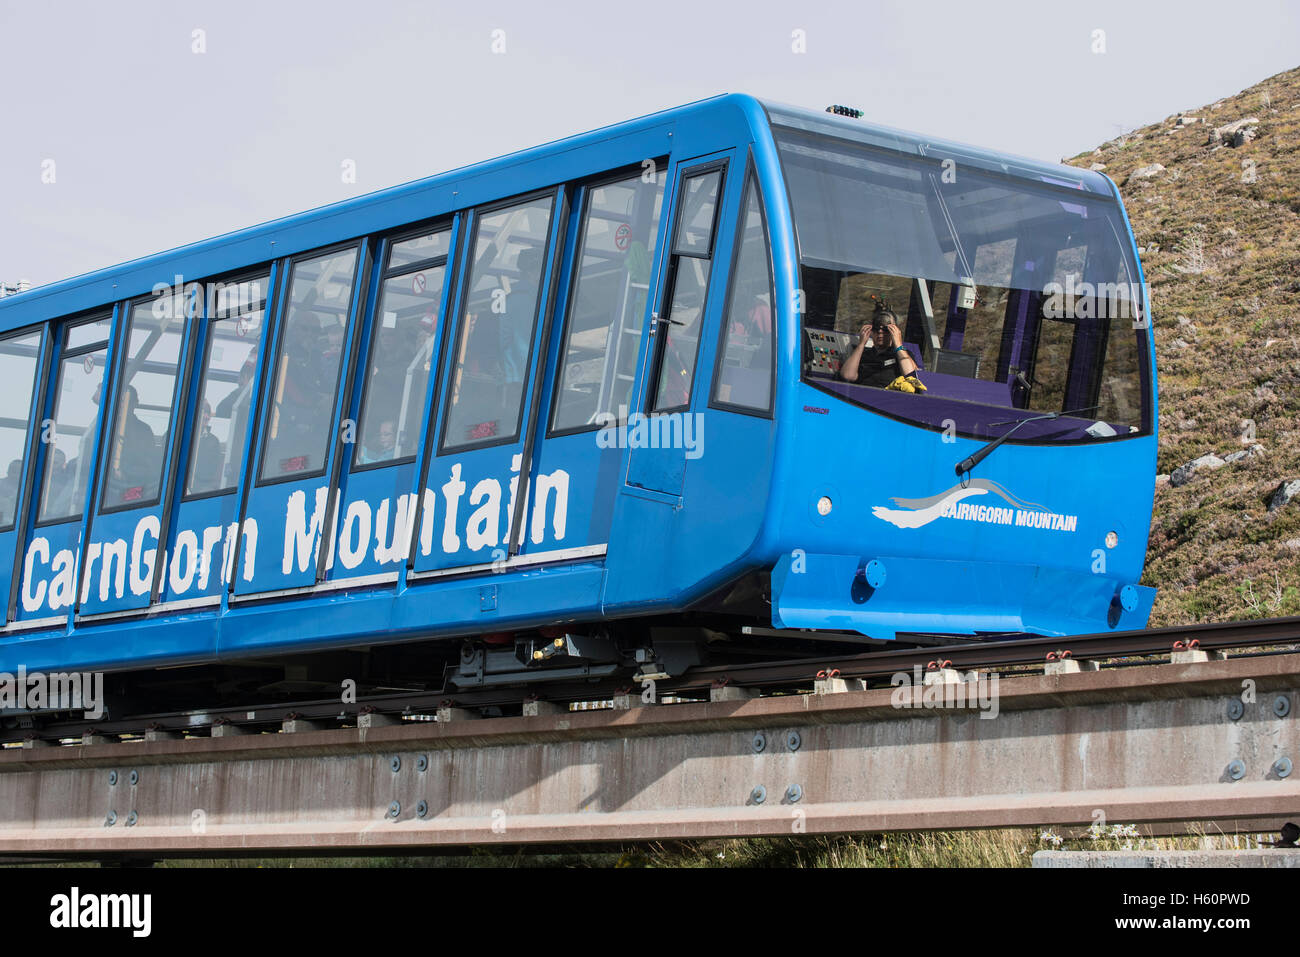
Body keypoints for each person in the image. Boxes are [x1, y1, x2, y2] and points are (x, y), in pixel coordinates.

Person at [838, 302, 927, 393]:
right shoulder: (864, 355)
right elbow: (848, 375)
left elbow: (911, 376)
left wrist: (898, 344)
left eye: (886, 329)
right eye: (876, 329)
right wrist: (861, 344)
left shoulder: (902, 354)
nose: (880, 332)